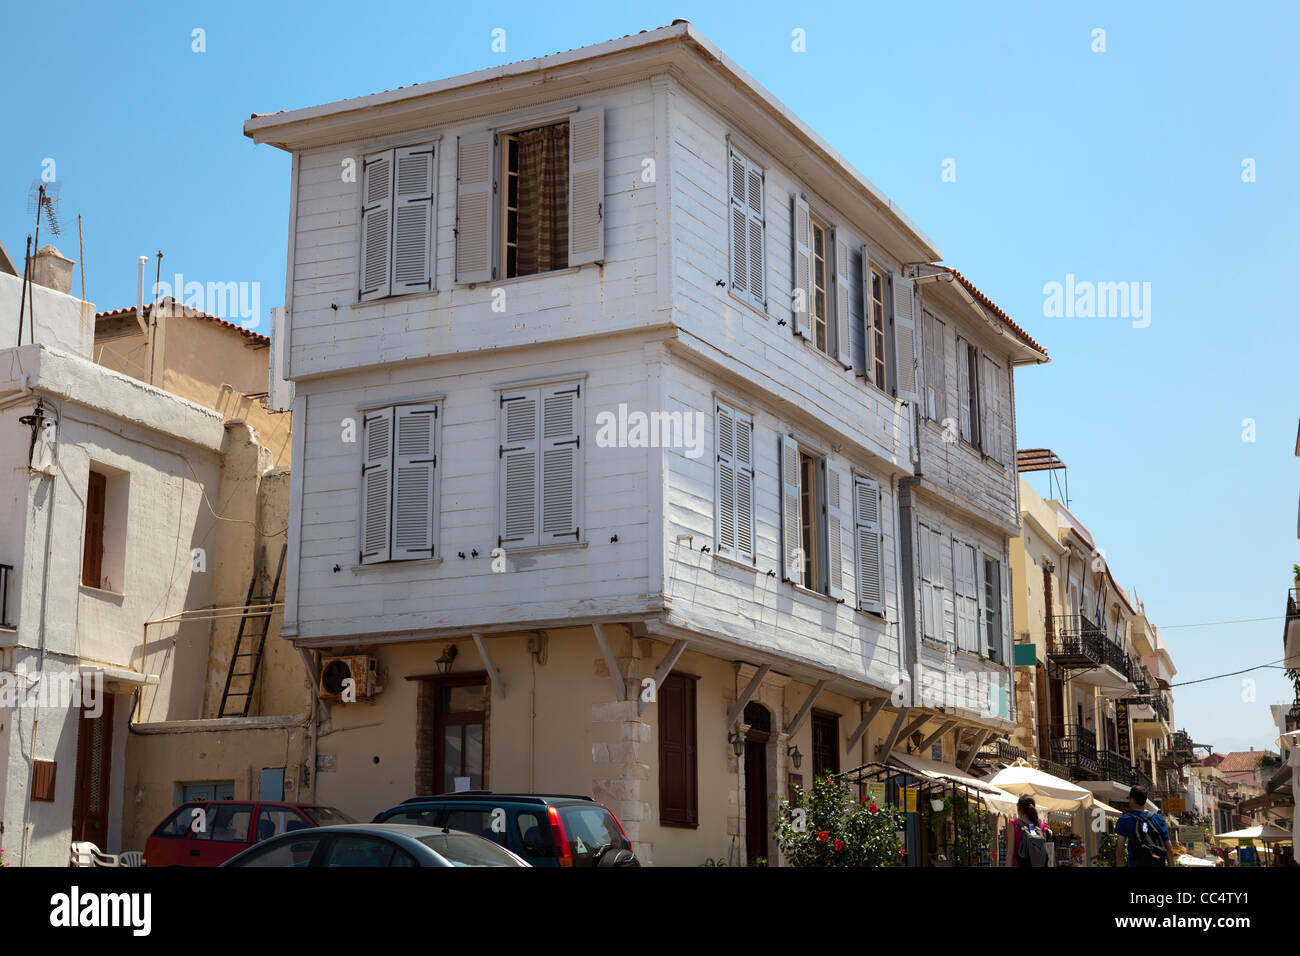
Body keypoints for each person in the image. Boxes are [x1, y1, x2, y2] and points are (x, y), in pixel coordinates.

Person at [1115, 786, 1174, 867]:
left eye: (1129, 798)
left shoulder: (1124, 820)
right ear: (1145, 800)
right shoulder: (1159, 819)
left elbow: (1120, 853)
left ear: (1132, 799)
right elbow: (1169, 850)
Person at [1004, 794, 1053, 867]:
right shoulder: (1042, 826)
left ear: (1019, 808)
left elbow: (1010, 853)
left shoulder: (1014, 825)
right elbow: (1042, 851)